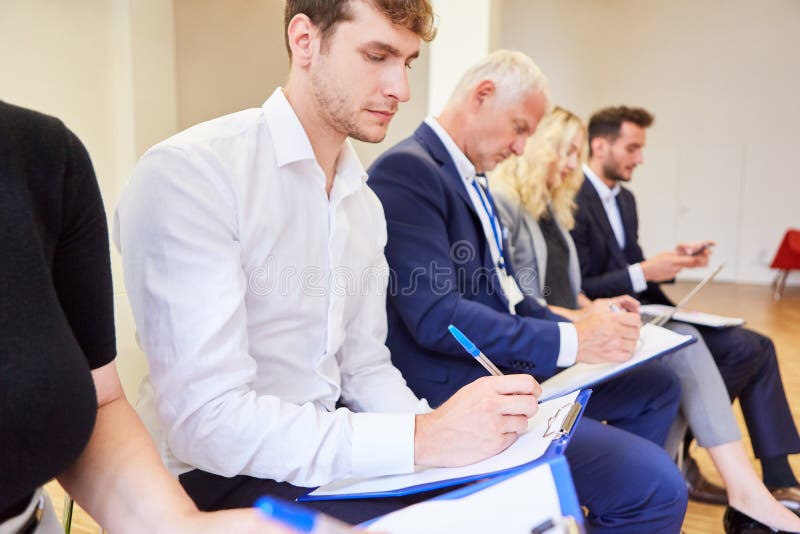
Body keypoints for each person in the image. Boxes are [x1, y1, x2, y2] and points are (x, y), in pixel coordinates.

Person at [114, 0, 546, 526]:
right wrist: (422, 438)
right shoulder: (193, 174)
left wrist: (444, 433)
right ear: (304, 41)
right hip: (209, 481)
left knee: (503, 497)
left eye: (407, 62)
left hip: (323, 453)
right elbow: (209, 424)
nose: (400, 90)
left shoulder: (362, 203)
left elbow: (364, 369)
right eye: (377, 55)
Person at [368, 50, 688, 534]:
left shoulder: (470, 178)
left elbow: (514, 297)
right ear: (482, 96)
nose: (521, 148)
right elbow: (439, 317)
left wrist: (584, 329)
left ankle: (579, 498)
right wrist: (575, 341)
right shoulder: (408, 172)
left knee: (656, 385)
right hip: (459, 388)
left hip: (507, 362)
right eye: (519, 128)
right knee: (656, 485)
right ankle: (590, 493)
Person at [490, 106, 800, 533]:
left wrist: (620, 299)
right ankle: (722, 485)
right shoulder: (520, 208)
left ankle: (688, 477)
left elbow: (574, 286)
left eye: (573, 154)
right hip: (559, 336)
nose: (569, 166)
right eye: (565, 153)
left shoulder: (556, 210)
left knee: (723, 352)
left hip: (590, 315)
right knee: (679, 355)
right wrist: (593, 310)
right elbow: (530, 301)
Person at [0, 101, 297, 533]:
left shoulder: (43, 156)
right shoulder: (185, 173)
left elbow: (99, 400)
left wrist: (180, 525)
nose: (399, 91)